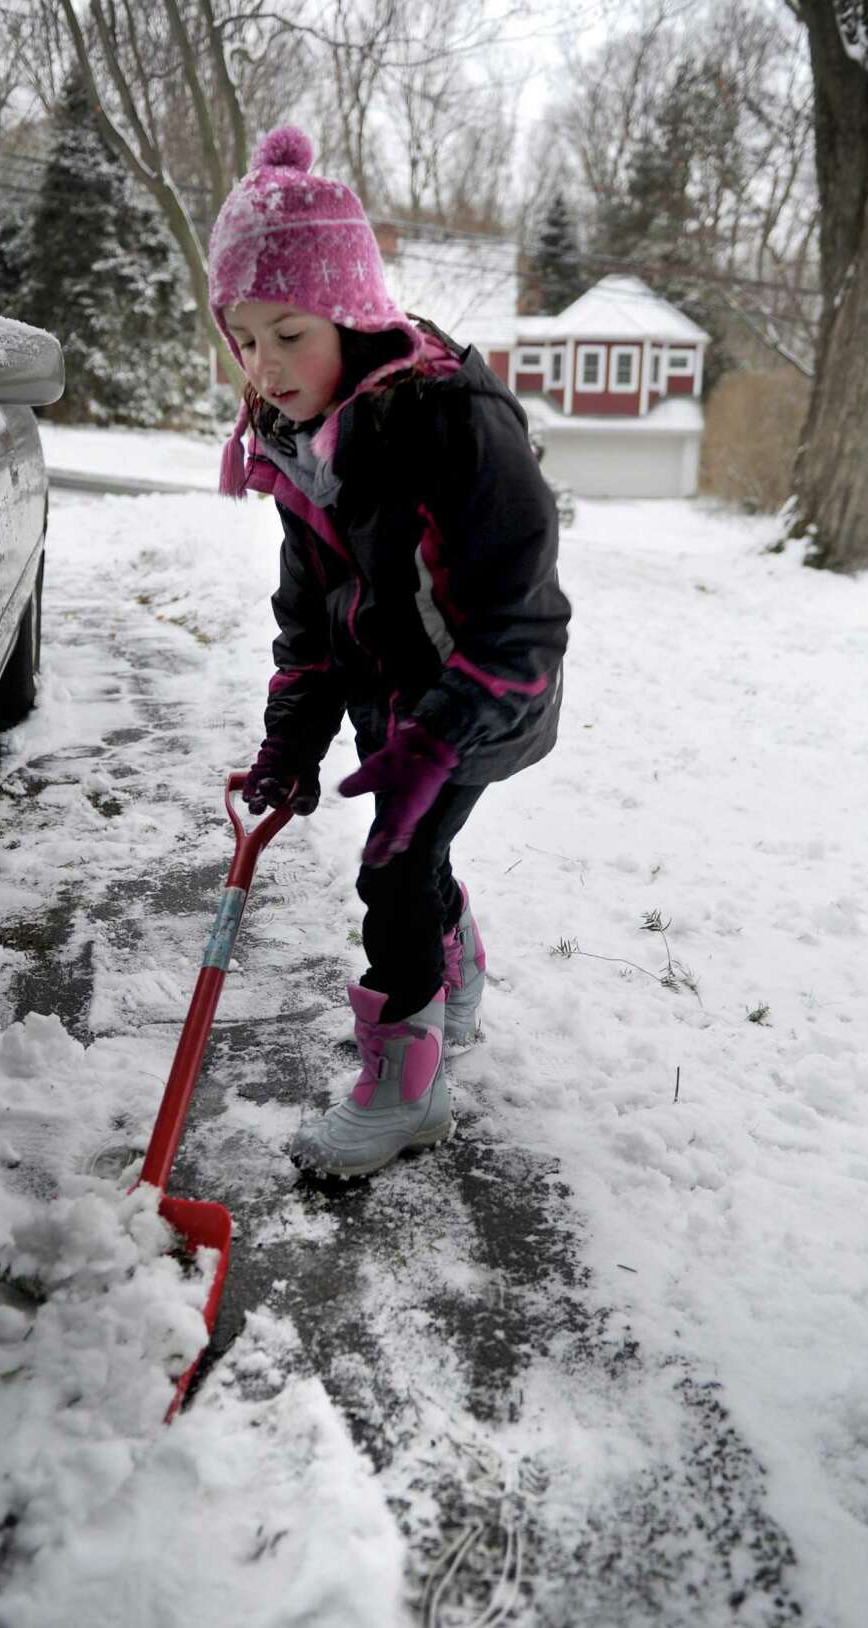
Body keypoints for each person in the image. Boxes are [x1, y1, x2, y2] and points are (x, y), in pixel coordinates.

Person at [209, 125, 571, 1178]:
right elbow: (311, 615)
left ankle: (407, 1087)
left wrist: (437, 739)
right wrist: (291, 739)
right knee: (415, 857)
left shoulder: (451, 423)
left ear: (351, 313)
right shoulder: (302, 441)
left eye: (287, 333)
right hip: (394, 700)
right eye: (242, 338)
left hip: (486, 693)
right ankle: (449, 975)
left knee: (396, 865)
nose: (264, 369)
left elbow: (525, 623)